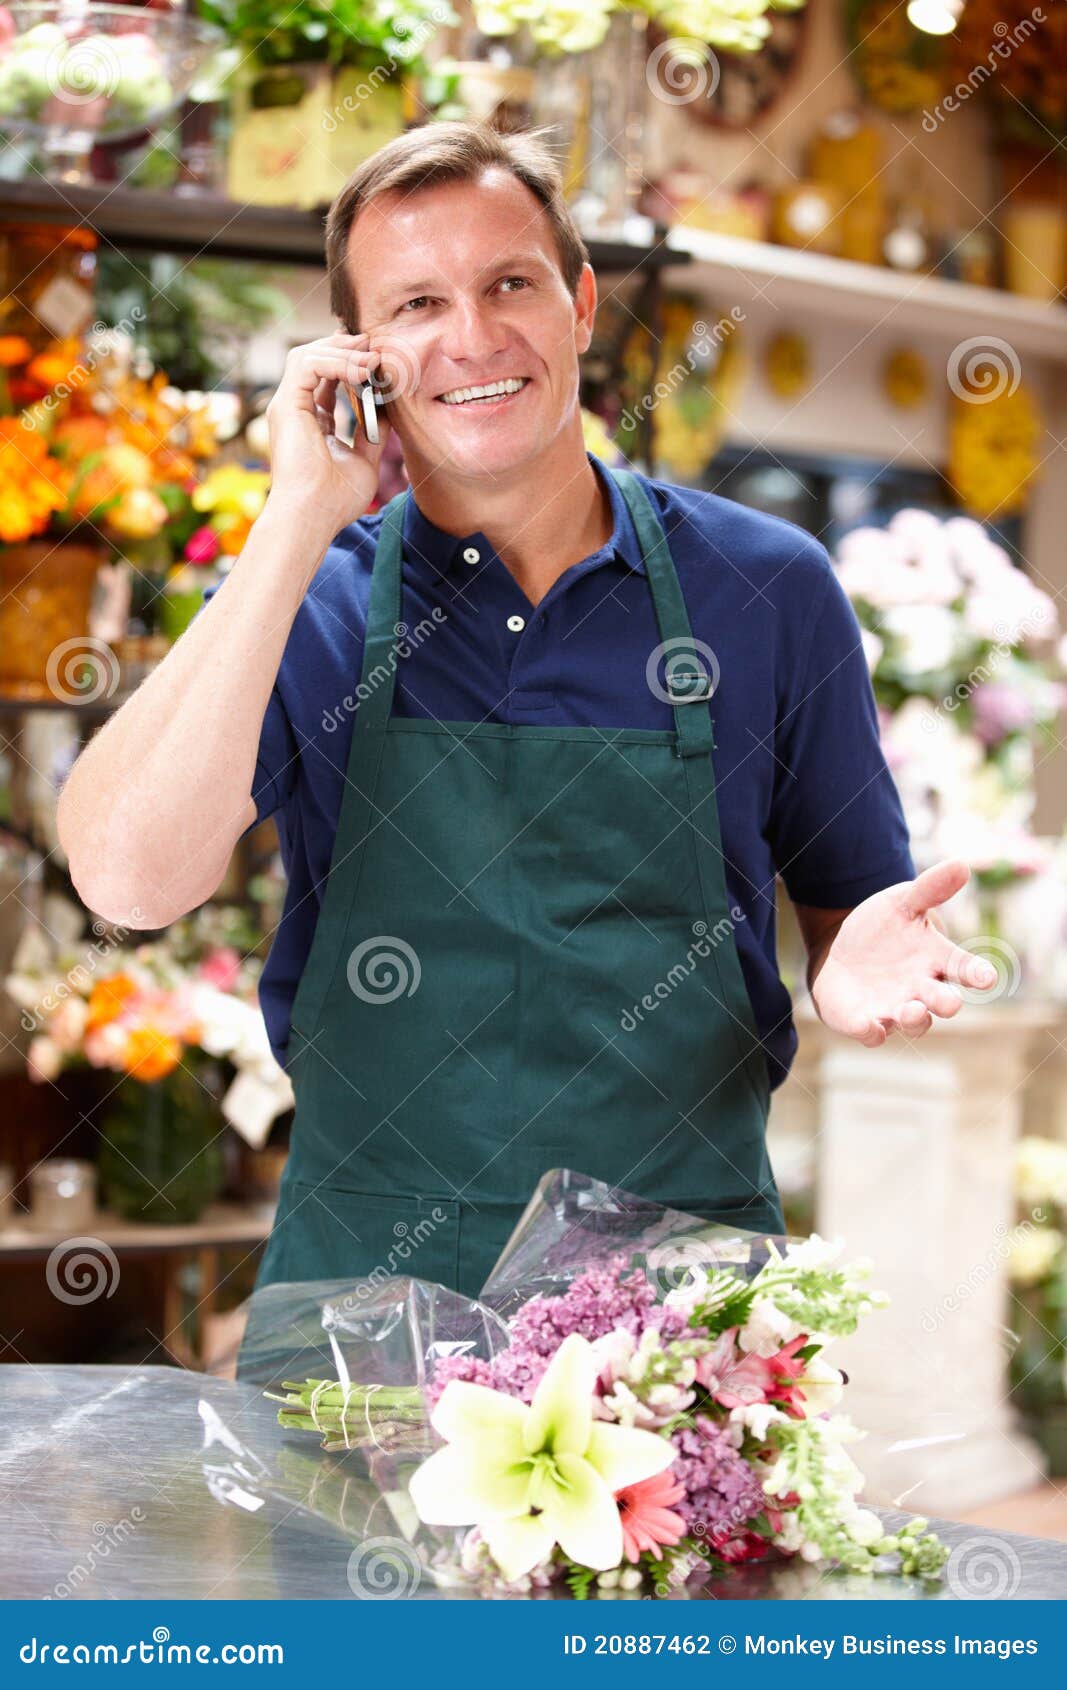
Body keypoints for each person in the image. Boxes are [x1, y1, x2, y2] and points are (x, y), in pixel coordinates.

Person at [57, 122, 997, 1296]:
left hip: (674, 1295)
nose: (472, 337)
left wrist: (849, 962)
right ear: (358, 354)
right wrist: (295, 518)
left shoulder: (765, 587)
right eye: (413, 306)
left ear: (580, 303)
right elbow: (127, 881)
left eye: (510, 282)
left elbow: (850, 903)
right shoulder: (313, 601)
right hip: (369, 1288)